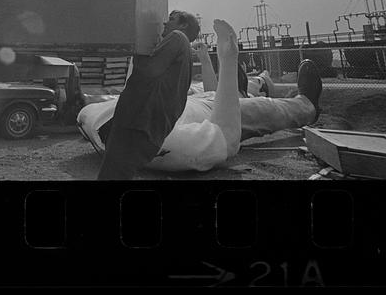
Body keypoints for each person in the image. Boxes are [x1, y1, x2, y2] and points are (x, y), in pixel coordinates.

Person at [80, 20, 323, 175]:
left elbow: (131, 91)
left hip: (173, 108)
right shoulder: (173, 146)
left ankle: (256, 86)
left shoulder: (93, 117)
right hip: (206, 112)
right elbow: (227, 139)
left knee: (221, 94)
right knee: (262, 108)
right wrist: (228, 59)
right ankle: (306, 105)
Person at [96, 10, 199, 180]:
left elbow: (149, 71)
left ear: (183, 25)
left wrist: (138, 45)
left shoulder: (178, 37)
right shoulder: (185, 53)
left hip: (139, 125)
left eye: (171, 19)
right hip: (147, 128)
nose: (165, 23)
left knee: (112, 175)